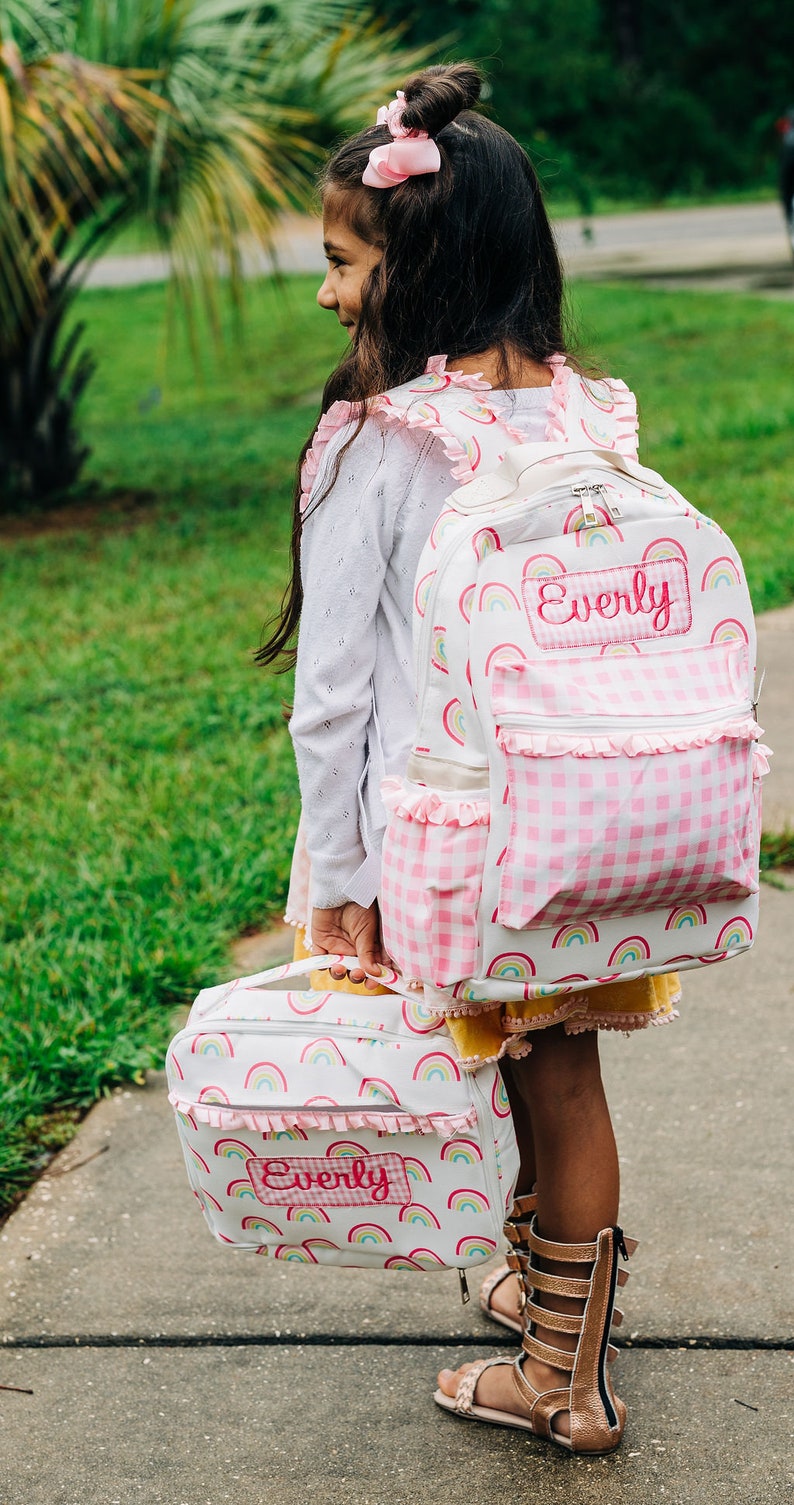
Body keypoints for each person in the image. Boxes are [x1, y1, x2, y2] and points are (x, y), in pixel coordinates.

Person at [257, 62, 679, 1456]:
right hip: (589, 813)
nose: (323, 291)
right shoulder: (581, 411)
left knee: (538, 1077)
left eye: (340, 259)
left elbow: (332, 700)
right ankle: (546, 1296)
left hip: (456, 836)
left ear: (418, 258)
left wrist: (334, 873)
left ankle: (564, 1377)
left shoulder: (378, 442)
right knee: (550, 1072)